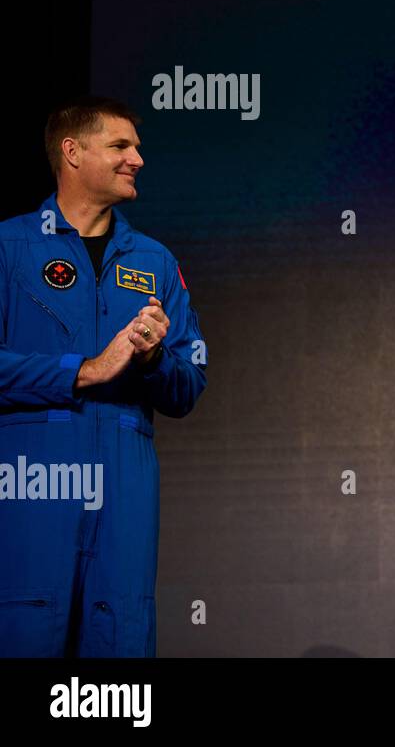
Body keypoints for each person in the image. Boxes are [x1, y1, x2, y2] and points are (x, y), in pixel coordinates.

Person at [0, 97, 207, 656]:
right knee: (23, 630)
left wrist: (151, 359)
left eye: (136, 147)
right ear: (72, 152)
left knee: (120, 650)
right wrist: (86, 370)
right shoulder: (8, 247)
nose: (137, 158)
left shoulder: (155, 261)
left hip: (126, 483)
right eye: (120, 146)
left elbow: (188, 386)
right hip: (30, 482)